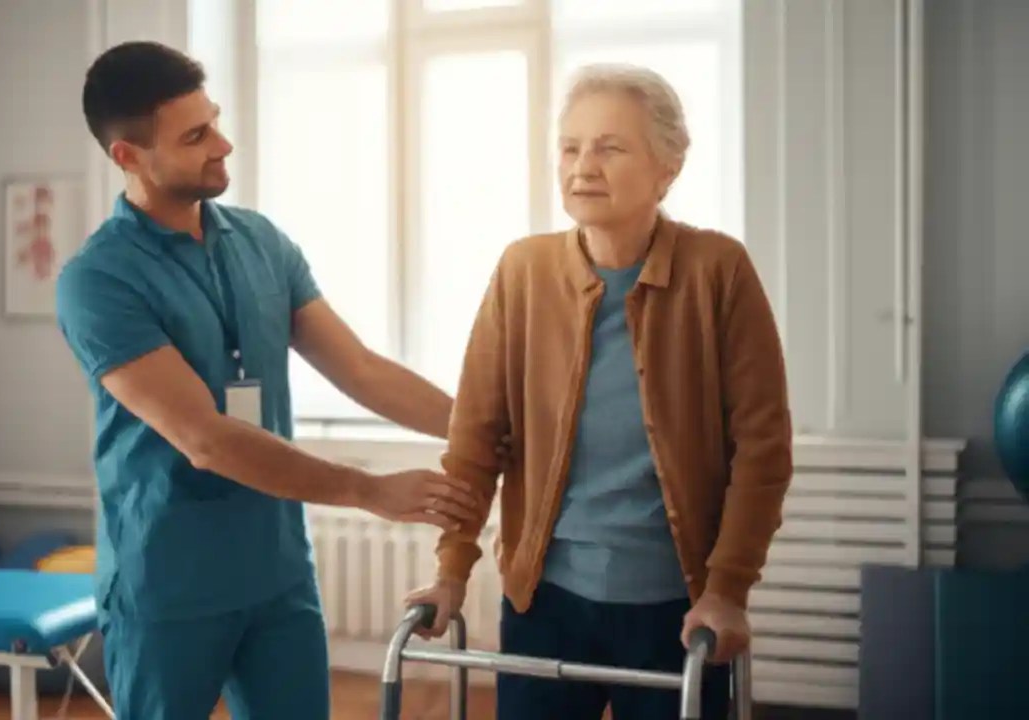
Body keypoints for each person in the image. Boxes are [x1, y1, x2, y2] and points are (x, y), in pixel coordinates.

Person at [56, 41, 491, 720]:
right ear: (128, 156)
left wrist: (487, 431)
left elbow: (361, 369)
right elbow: (204, 438)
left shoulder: (261, 242)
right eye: (195, 136)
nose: (222, 145)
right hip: (169, 586)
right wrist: (369, 490)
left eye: (215, 121)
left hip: (277, 576)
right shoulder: (98, 279)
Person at [404, 63, 793, 720]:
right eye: (570, 147)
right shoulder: (523, 271)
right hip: (544, 603)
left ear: (668, 168)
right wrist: (451, 571)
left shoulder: (718, 270)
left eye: (610, 148)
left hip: (676, 608)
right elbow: (475, 439)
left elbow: (762, 450)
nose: (584, 166)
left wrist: (727, 590)